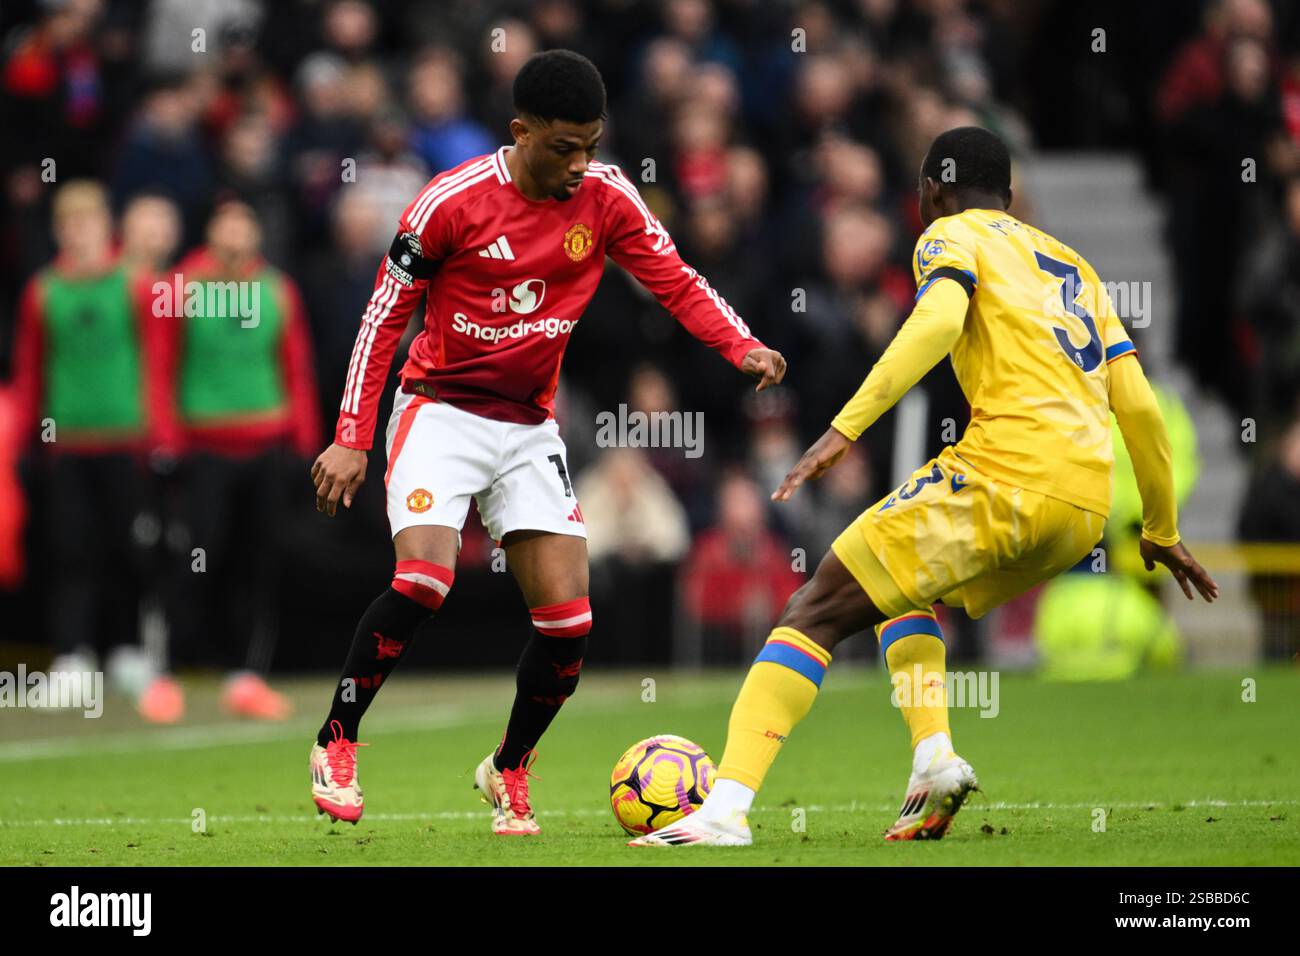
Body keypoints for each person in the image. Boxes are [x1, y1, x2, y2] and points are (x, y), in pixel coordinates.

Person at [632, 126, 1219, 848]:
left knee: (813, 606)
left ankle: (724, 808)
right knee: (900, 588)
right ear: (1008, 191)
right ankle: (933, 757)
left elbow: (938, 320)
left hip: (1004, 475)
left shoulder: (950, 236)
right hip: (1081, 508)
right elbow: (1138, 407)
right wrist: (1161, 528)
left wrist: (845, 428)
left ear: (934, 190)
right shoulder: (1074, 266)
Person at [308, 50, 786, 834]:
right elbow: (382, 317)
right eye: (564, 146)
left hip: (528, 424)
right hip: (440, 410)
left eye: (591, 145)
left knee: (569, 624)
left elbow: (675, 279)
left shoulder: (606, 197)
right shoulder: (449, 203)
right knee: (426, 579)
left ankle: (509, 767)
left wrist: (742, 346)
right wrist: (351, 437)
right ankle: (337, 739)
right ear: (520, 132)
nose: (580, 164)